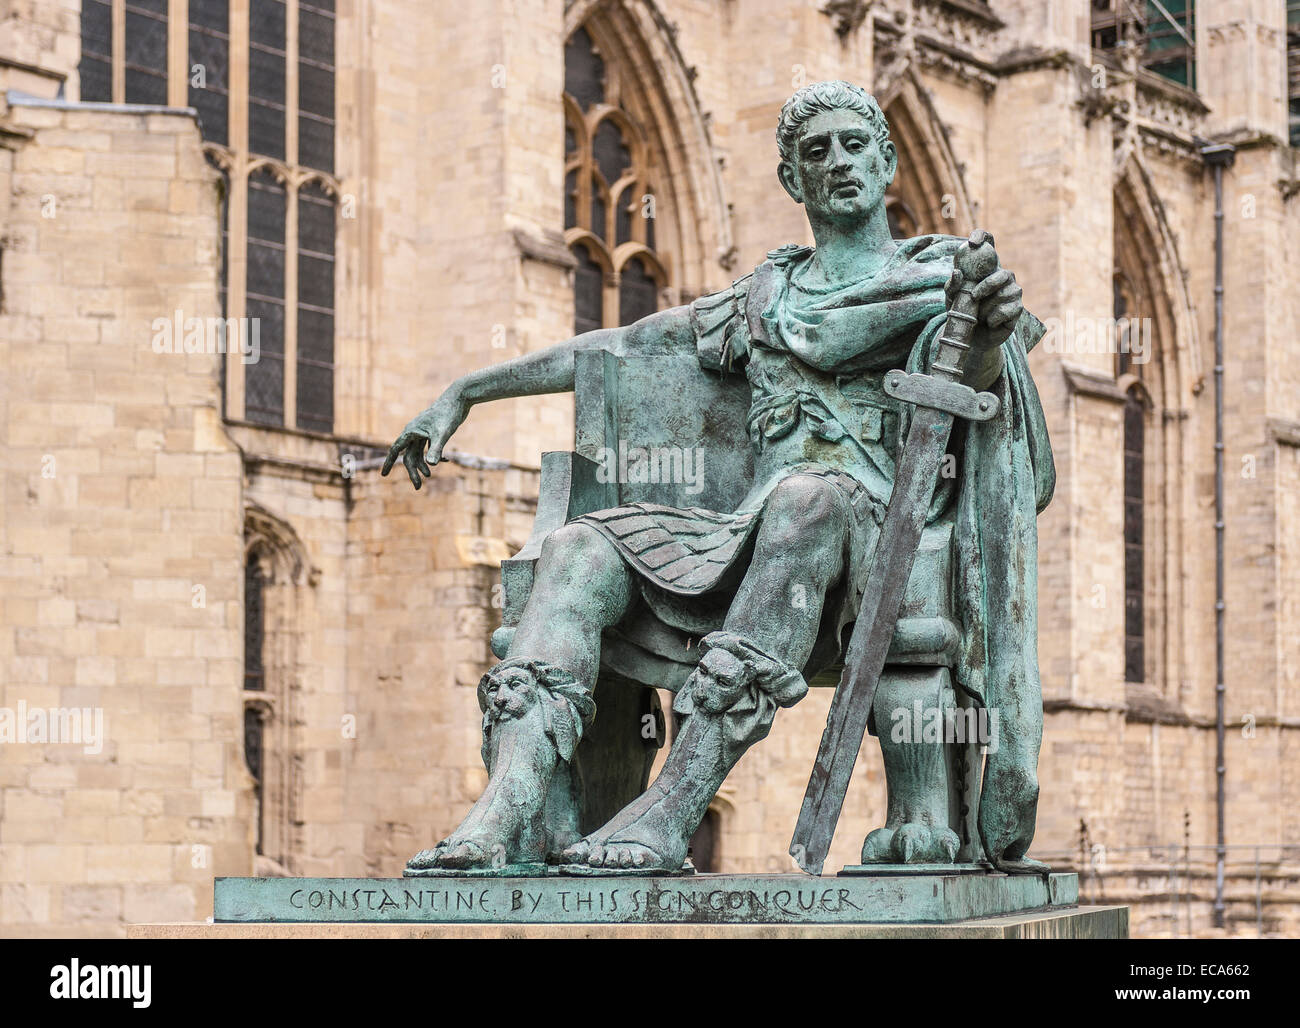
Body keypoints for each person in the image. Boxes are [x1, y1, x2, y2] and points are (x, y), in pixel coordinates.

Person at [384, 80, 1054, 874]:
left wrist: (987, 326)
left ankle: (669, 812)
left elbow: (971, 381)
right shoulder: (763, 299)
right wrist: (466, 390)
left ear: (888, 160)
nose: (836, 162)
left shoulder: (937, 281)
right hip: (747, 528)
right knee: (578, 550)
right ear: (791, 181)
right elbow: (619, 348)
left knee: (807, 501)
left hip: (881, 533)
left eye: (852, 145)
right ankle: (503, 816)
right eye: (815, 152)